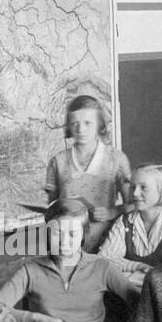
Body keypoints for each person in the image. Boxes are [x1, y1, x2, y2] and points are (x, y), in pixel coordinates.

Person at [0, 199, 135, 322]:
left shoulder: (102, 267)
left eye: (73, 234)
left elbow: (142, 302)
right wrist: (32, 318)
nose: (64, 242)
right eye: (56, 233)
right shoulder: (30, 270)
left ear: (83, 235)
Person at [43, 94, 132, 252]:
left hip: (107, 244)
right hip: (67, 245)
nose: (80, 129)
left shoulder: (117, 160)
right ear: (68, 125)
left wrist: (112, 212)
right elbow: (51, 209)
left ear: (100, 124)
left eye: (87, 123)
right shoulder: (57, 162)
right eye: (74, 123)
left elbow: (132, 205)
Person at [96, 163, 162, 270]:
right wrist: (136, 266)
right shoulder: (125, 222)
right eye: (132, 187)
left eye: (143, 187)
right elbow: (104, 258)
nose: (135, 193)